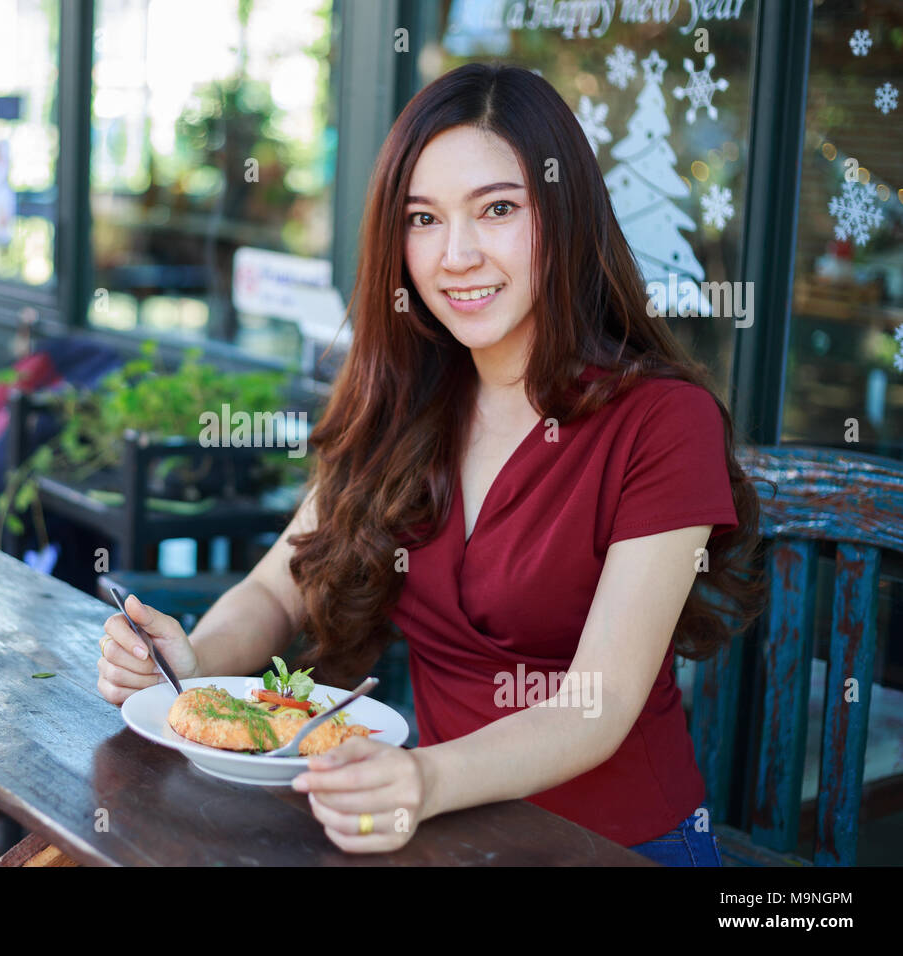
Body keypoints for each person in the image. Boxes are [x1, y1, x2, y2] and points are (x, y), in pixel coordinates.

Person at [95, 63, 767, 865]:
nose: (456, 255)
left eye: (497, 209)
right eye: (423, 218)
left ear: (567, 213)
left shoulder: (662, 422)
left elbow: (601, 701)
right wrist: (193, 664)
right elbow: (280, 587)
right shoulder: (406, 398)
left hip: (613, 843)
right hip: (433, 833)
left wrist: (420, 779)